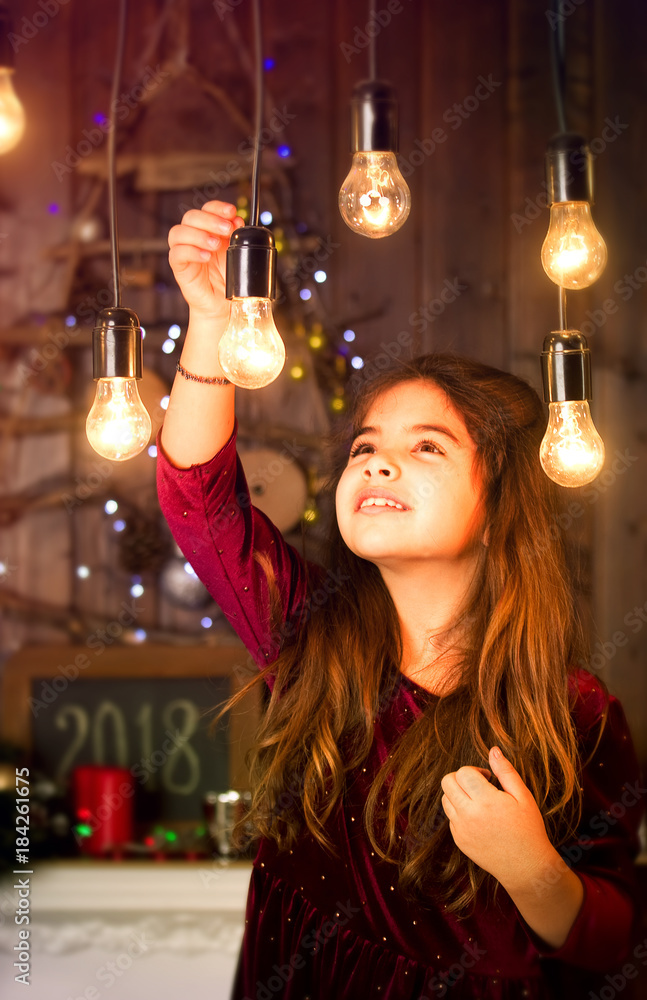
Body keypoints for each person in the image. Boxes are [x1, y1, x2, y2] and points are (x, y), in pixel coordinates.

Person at [157, 200, 645, 999]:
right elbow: (198, 501)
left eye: (425, 447)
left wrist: (534, 873)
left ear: (500, 509)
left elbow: (615, 937)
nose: (378, 465)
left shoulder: (572, 710)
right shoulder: (307, 633)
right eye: (365, 447)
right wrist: (210, 320)